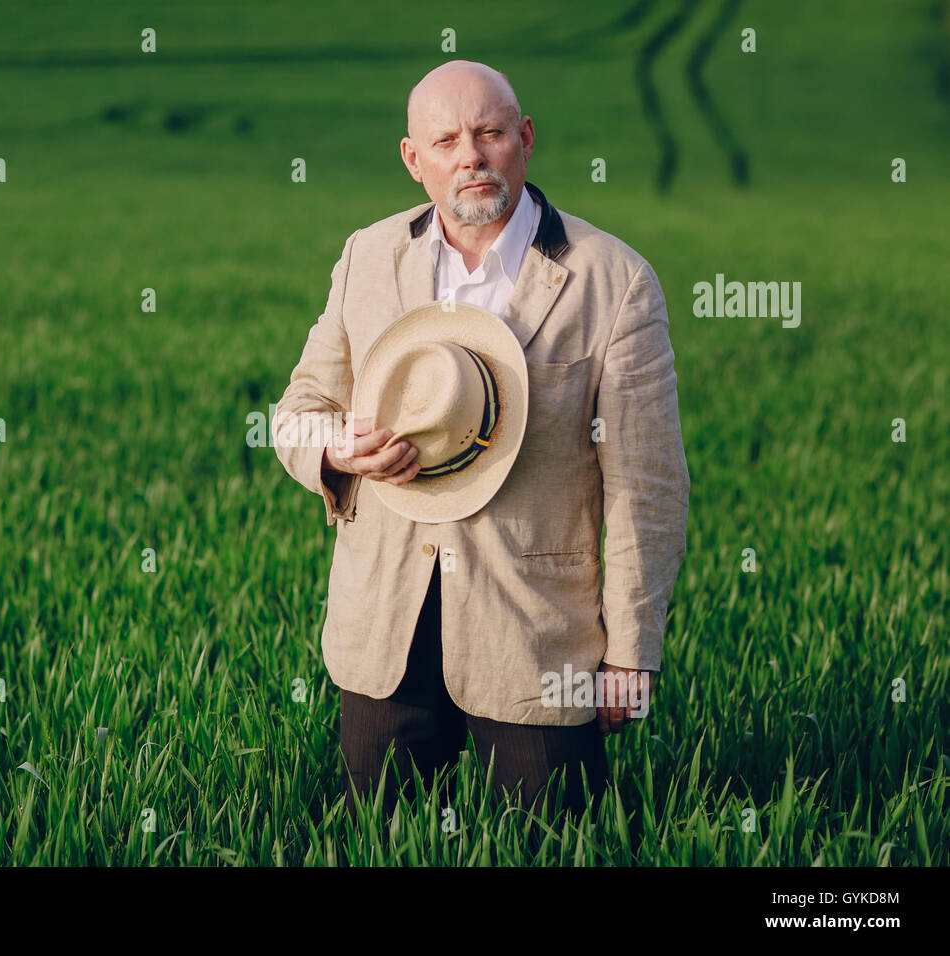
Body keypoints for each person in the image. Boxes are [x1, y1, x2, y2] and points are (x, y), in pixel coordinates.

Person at [273, 60, 690, 818]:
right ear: (413, 161)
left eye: (489, 132)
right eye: (446, 140)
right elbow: (300, 406)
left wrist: (632, 651)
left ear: (524, 140)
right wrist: (336, 450)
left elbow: (647, 485)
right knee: (380, 838)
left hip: (534, 632)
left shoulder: (612, 279)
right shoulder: (368, 257)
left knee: (554, 843)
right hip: (385, 624)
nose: (470, 155)